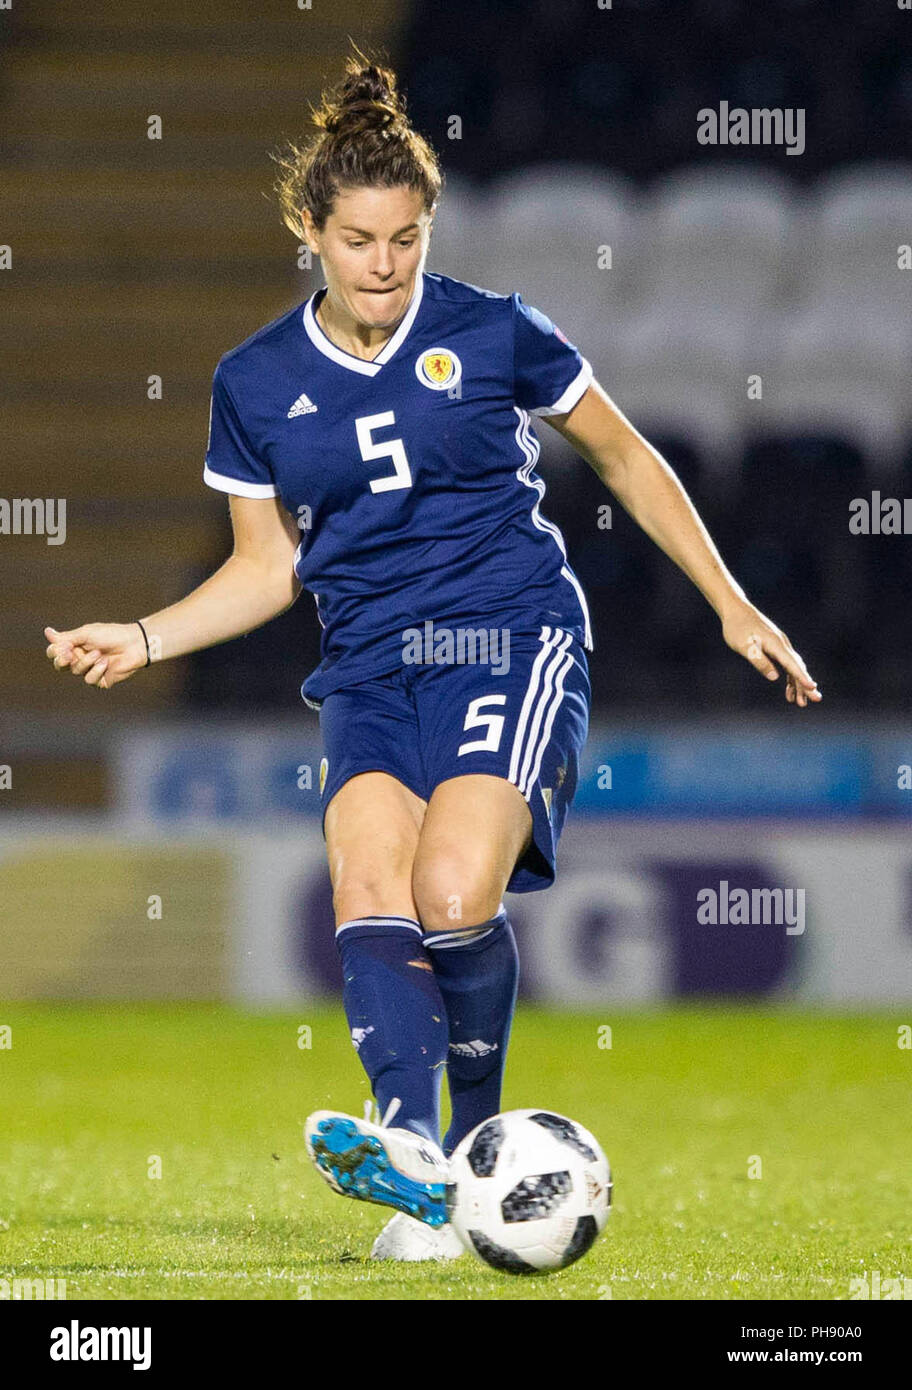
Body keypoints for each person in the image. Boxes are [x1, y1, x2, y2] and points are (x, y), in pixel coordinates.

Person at [45, 52, 821, 1263]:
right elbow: (268, 565)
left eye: (406, 240)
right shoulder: (252, 383)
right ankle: (412, 1158)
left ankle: (466, 1147)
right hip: (365, 666)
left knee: (455, 896)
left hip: (510, 635)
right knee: (366, 879)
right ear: (311, 230)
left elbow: (623, 454)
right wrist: (145, 638)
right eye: (360, 241)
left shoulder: (495, 330)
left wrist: (726, 599)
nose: (385, 267)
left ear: (428, 229)